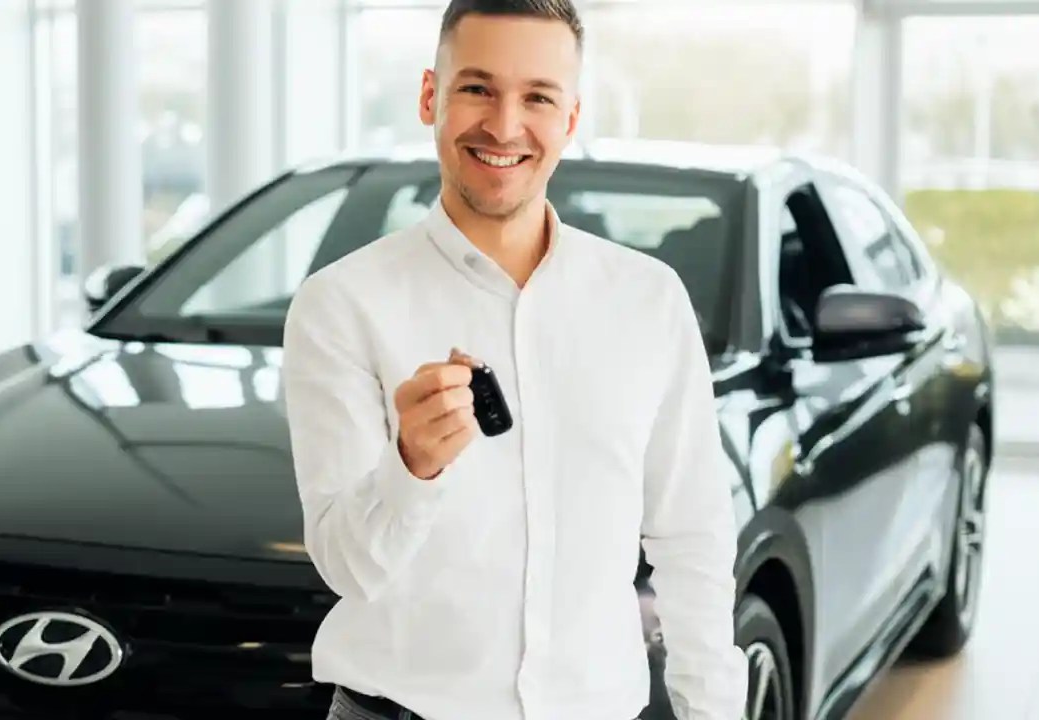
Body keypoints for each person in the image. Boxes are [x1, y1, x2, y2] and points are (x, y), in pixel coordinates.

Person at [281, 1, 748, 718]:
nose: (503, 126)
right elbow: (345, 564)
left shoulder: (647, 300)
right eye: (477, 88)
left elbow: (693, 536)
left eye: (537, 96)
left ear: (570, 116)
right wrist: (411, 466)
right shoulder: (341, 304)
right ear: (430, 96)